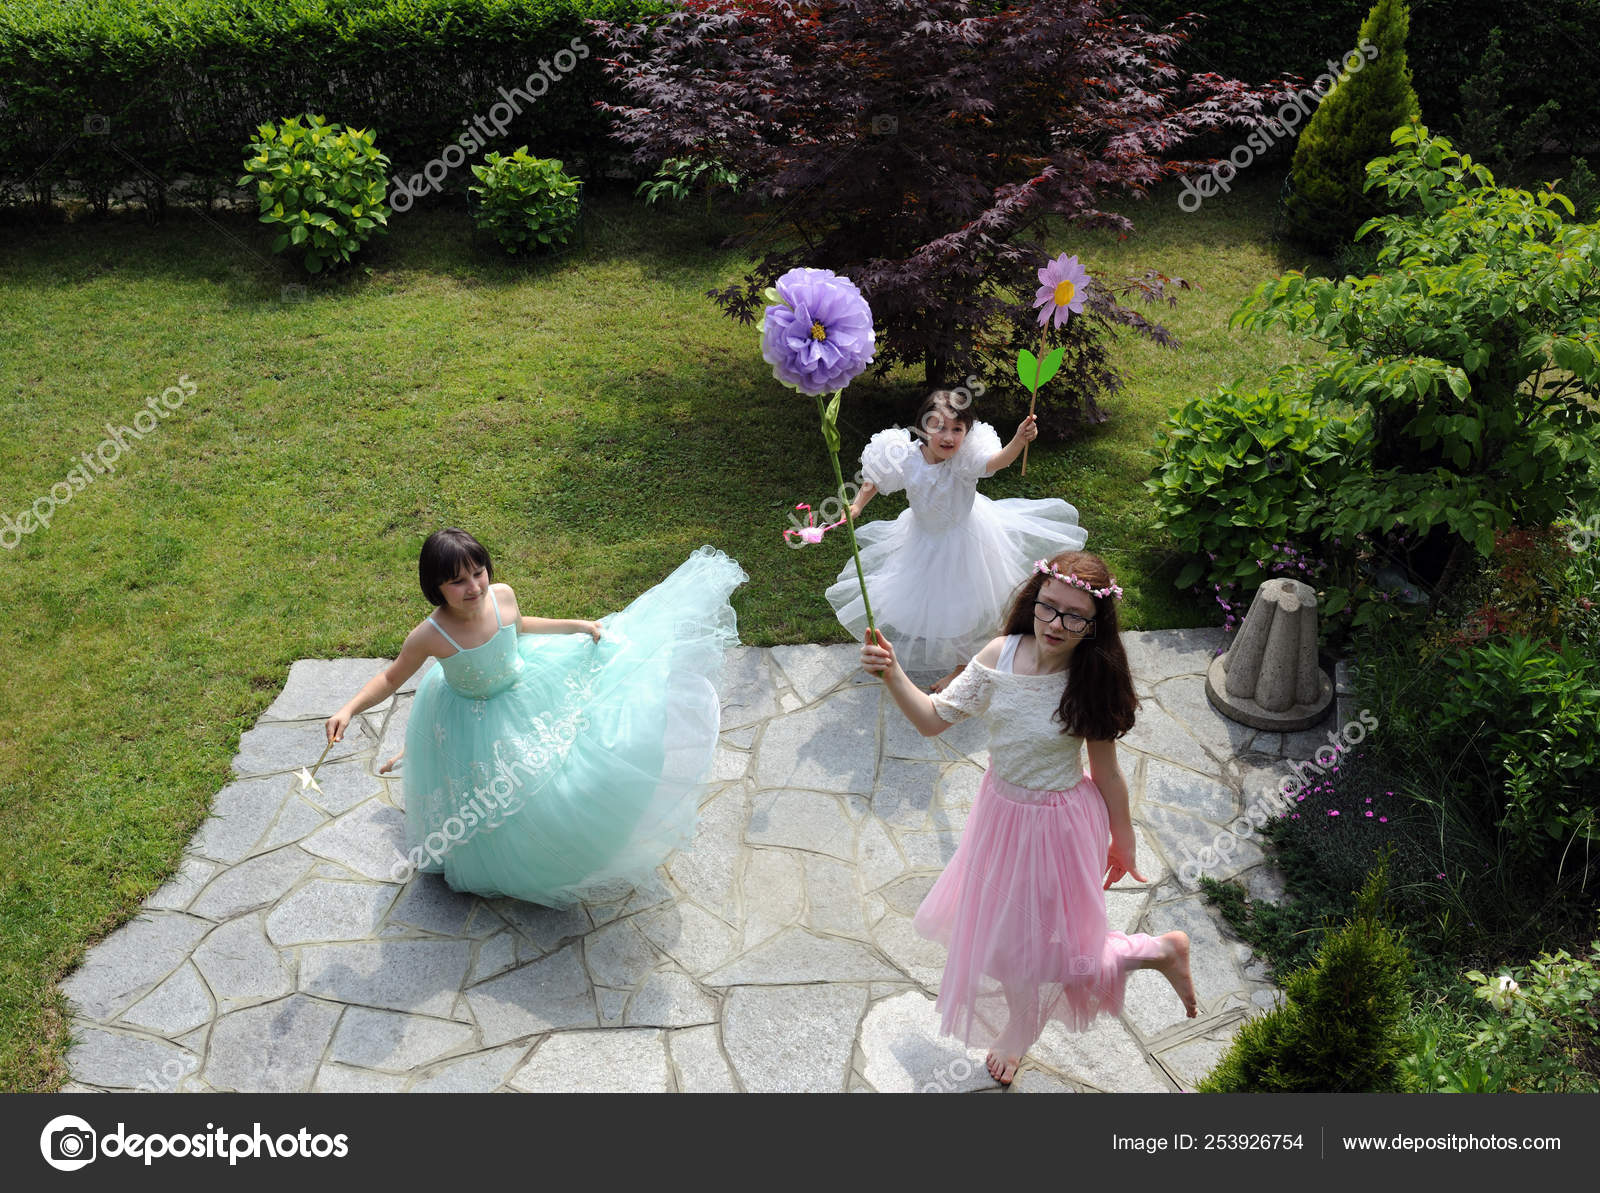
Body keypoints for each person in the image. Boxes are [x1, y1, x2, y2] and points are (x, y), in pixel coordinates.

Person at [861, 549, 1196, 1085]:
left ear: (1094, 624)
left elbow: (1106, 773)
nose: (1056, 625)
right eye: (1048, 607)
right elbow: (932, 719)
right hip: (1000, 817)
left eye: (1074, 616)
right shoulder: (999, 656)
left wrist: (1123, 838)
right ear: (1032, 602)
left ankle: (1133, 964)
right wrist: (895, 673)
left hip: (1059, 828)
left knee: (1043, 951)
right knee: (1006, 941)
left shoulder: (1087, 682)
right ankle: (1153, 951)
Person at [326, 529, 747, 907]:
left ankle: (570, 836)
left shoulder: (502, 595)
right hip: (471, 716)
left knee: (575, 750)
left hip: (524, 683)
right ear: (435, 588)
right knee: (502, 792)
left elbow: (521, 626)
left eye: (477, 573)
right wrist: (348, 708)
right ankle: (510, 849)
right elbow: (390, 676)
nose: (473, 587)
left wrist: (576, 626)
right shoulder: (430, 635)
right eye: (457, 581)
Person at [827, 390, 1087, 693]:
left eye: (957, 429)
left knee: (961, 604)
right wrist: (857, 505)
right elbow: (875, 477)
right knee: (928, 595)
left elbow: (997, 461)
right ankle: (945, 634)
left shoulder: (965, 460)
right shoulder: (905, 456)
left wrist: (1019, 439)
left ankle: (963, 666)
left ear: (966, 432)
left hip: (964, 539)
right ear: (924, 428)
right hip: (922, 536)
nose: (948, 436)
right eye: (939, 427)